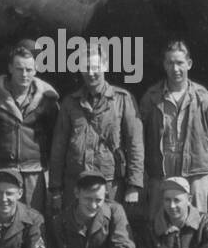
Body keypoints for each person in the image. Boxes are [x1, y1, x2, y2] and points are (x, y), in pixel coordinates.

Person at [48, 46, 143, 211]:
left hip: (110, 184)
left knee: (110, 229)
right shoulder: (70, 103)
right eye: (86, 67)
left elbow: (135, 144)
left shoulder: (122, 100)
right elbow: (58, 147)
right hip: (76, 184)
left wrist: (133, 185)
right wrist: (55, 189)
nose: (91, 73)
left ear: (105, 66)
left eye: (96, 67)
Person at [0, 41, 61, 214]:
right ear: (10, 68)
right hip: (0, 170)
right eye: (19, 69)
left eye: (29, 70)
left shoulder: (48, 101)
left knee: (33, 221)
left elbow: (54, 137)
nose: (24, 74)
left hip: (33, 175)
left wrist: (39, 159)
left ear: (35, 70)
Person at [138, 40, 208, 217]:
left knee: (196, 221)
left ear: (189, 64)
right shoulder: (151, 97)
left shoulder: (203, 98)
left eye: (180, 63)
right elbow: (140, 138)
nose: (175, 69)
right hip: (161, 169)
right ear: (164, 65)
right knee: (158, 220)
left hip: (195, 170)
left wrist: (204, 168)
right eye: (170, 63)